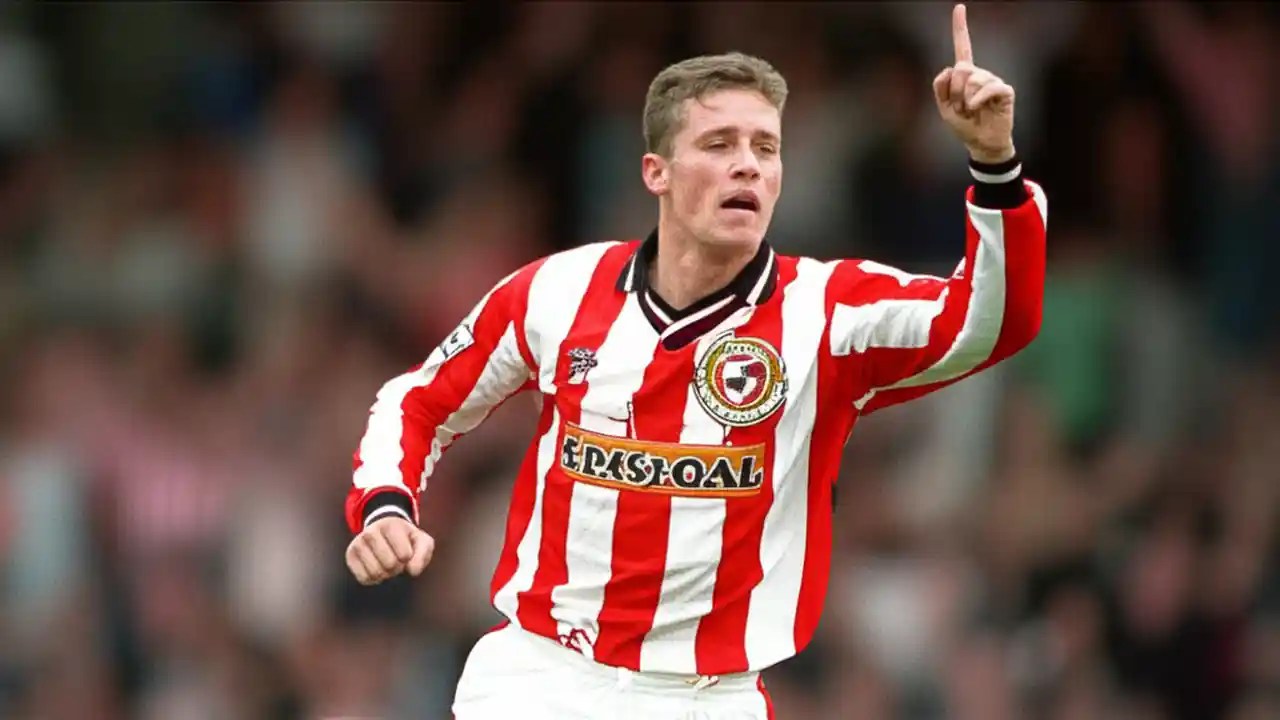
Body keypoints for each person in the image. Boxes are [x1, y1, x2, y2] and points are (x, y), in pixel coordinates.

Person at [344, 5, 1046, 718]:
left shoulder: (827, 313)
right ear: (657, 172)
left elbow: (992, 323)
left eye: (766, 148)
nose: (748, 162)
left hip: (708, 699)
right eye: (719, 143)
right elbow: (418, 399)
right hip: (539, 677)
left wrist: (995, 166)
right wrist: (385, 504)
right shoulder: (557, 290)